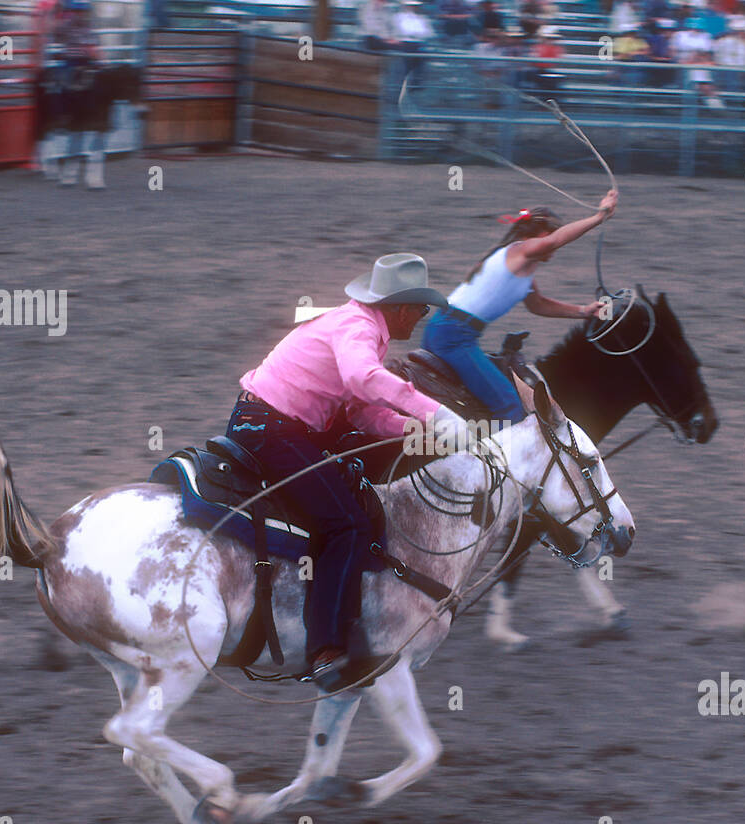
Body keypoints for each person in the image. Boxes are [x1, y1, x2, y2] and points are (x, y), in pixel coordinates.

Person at [225, 255, 463, 693]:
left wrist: (421, 431)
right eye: (421, 308)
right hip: (273, 431)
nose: (423, 317)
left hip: (270, 423)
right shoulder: (360, 329)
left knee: (350, 497)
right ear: (401, 307)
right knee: (347, 521)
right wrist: (436, 412)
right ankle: (325, 649)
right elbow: (363, 377)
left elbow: (359, 409)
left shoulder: (356, 324)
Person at [419, 191, 618, 422]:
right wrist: (599, 216)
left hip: (444, 329)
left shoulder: (522, 269)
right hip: (454, 336)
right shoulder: (520, 250)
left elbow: (539, 305)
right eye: (549, 237)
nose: (553, 247)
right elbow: (555, 241)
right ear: (540, 235)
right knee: (509, 406)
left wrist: (583, 311)